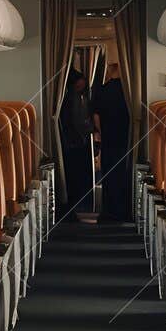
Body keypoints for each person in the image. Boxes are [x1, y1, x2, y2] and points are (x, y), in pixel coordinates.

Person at [92, 62, 132, 222]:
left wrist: (101, 133)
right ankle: (123, 210)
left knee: (109, 173)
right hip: (126, 137)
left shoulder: (102, 90)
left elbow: (96, 116)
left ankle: (109, 210)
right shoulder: (130, 91)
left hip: (109, 137)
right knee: (123, 173)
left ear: (110, 71)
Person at [58, 70, 94, 220]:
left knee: (77, 177)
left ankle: (74, 206)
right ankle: (71, 208)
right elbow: (74, 121)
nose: (81, 88)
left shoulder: (80, 97)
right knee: (73, 176)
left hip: (78, 140)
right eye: (79, 86)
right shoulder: (68, 100)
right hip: (72, 142)